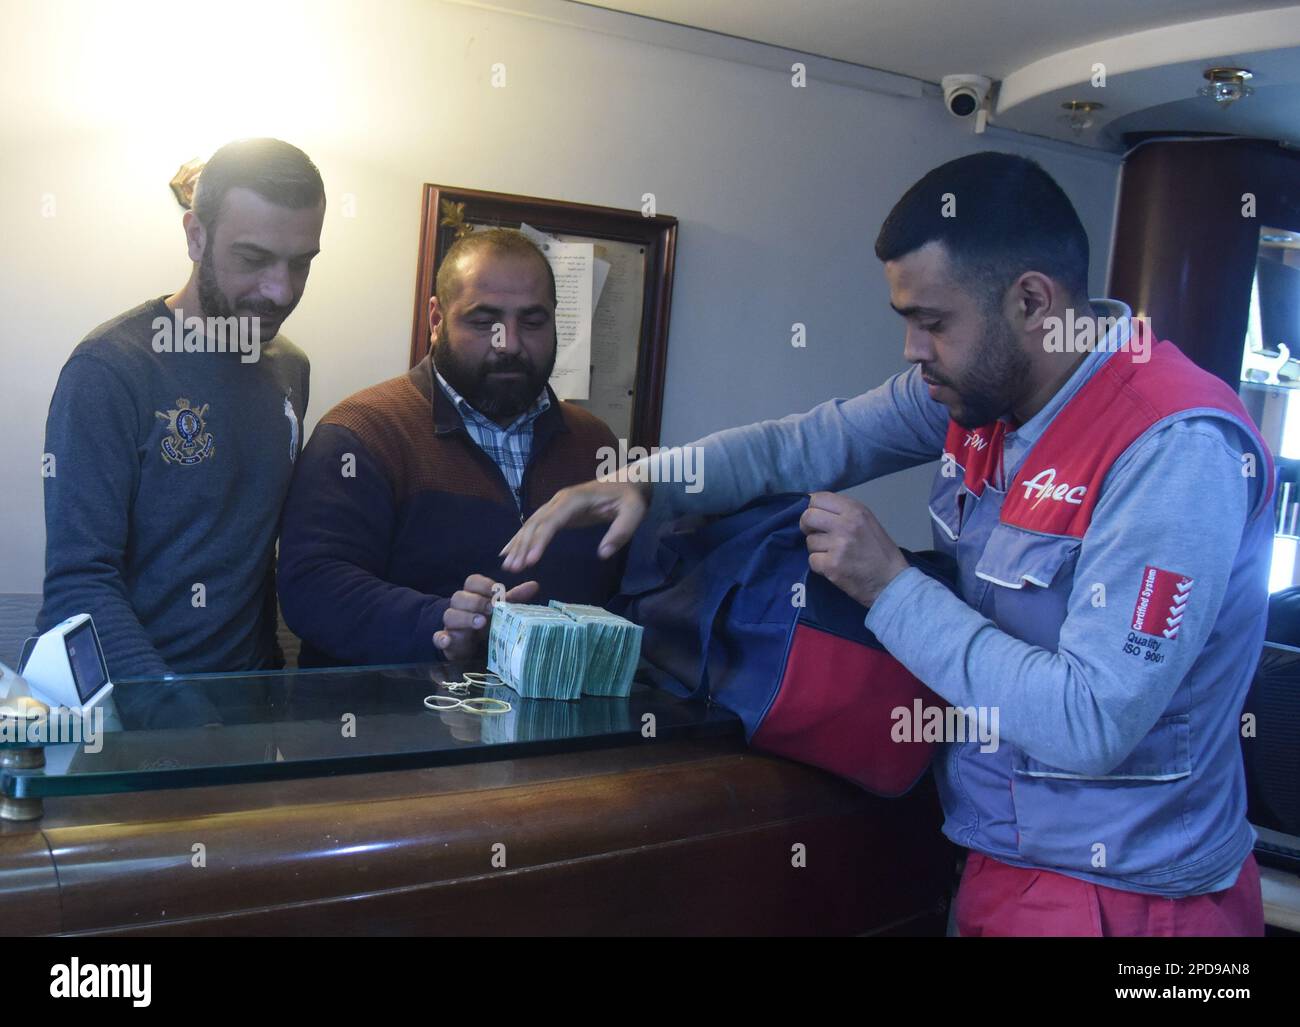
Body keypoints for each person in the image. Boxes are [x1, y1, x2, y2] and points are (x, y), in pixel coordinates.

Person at [499, 152, 1273, 937]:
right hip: (997, 850)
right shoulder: (982, 392)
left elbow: (1091, 720)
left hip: (1135, 900)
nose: (911, 349)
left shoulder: (1174, 448)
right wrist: (653, 481)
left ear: (1032, 301)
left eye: (932, 322)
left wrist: (893, 588)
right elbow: (807, 443)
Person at [38, 138, 325, 725]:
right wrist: (179, 714)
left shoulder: (290, 368)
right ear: (195, 235)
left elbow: (253, 556)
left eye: (302, 262)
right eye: (253, 259)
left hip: (251, 709)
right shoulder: (110, 371)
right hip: (129, 720)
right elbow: (79, 582)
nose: (282, 290)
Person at [277, 228, 622, 667]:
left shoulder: (597, 446)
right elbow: (313, 588)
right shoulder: (361, 432)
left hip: (566, 726)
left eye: (533, 322)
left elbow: (622, 592)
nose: (509, 344)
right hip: (393, 727)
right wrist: (441, 624)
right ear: (436, 320)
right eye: (484, 322)